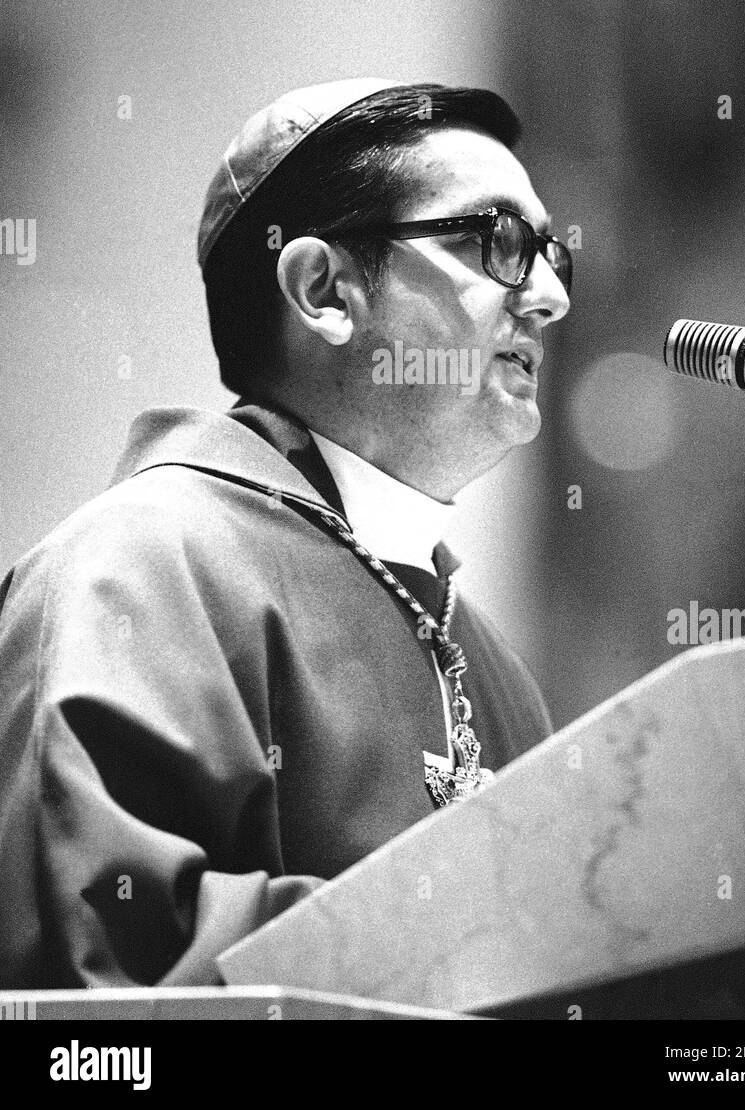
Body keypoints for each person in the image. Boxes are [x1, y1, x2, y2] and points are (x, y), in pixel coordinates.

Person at [0, 78, 571, 989]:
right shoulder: (139, 570)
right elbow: (101, 982)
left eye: (549, 255)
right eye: (494, 240)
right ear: (321, 289)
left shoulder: (484, 656)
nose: (546, 297)